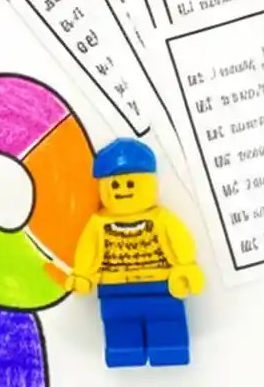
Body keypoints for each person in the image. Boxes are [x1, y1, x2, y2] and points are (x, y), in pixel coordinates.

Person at [64, 137, 205, 368]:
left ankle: (169, 350)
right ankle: (124, 353)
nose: (122, 190)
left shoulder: (161, 218)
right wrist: (83, 275)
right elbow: (89, 250)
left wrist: (186, 266)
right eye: (115, 185)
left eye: (130, 184)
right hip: (114, 289)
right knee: (120, 327)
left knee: (167, 323)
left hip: (161, 286)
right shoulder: (99, 223)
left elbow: (180, 242)